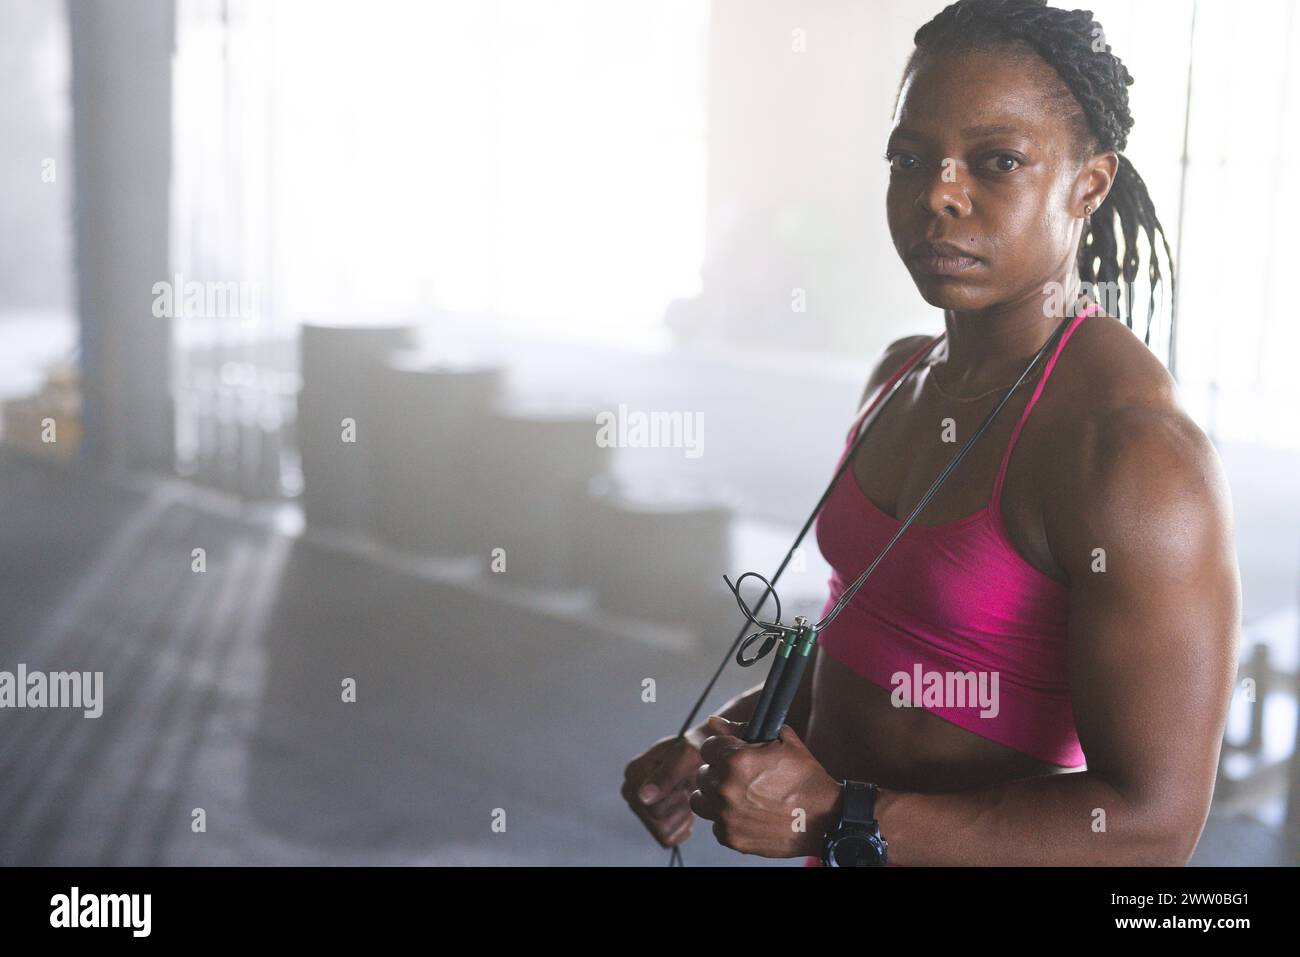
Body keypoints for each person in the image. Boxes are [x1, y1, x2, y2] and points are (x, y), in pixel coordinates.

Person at [621, 0, 1240, 866]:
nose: (938, 194)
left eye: (998, 162)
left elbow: (1152, 824)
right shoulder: (899, 376)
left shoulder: (1132, 454)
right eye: (910, 159)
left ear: (1088, 185)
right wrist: (718, 739)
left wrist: (844, 814)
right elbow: (867, 649)